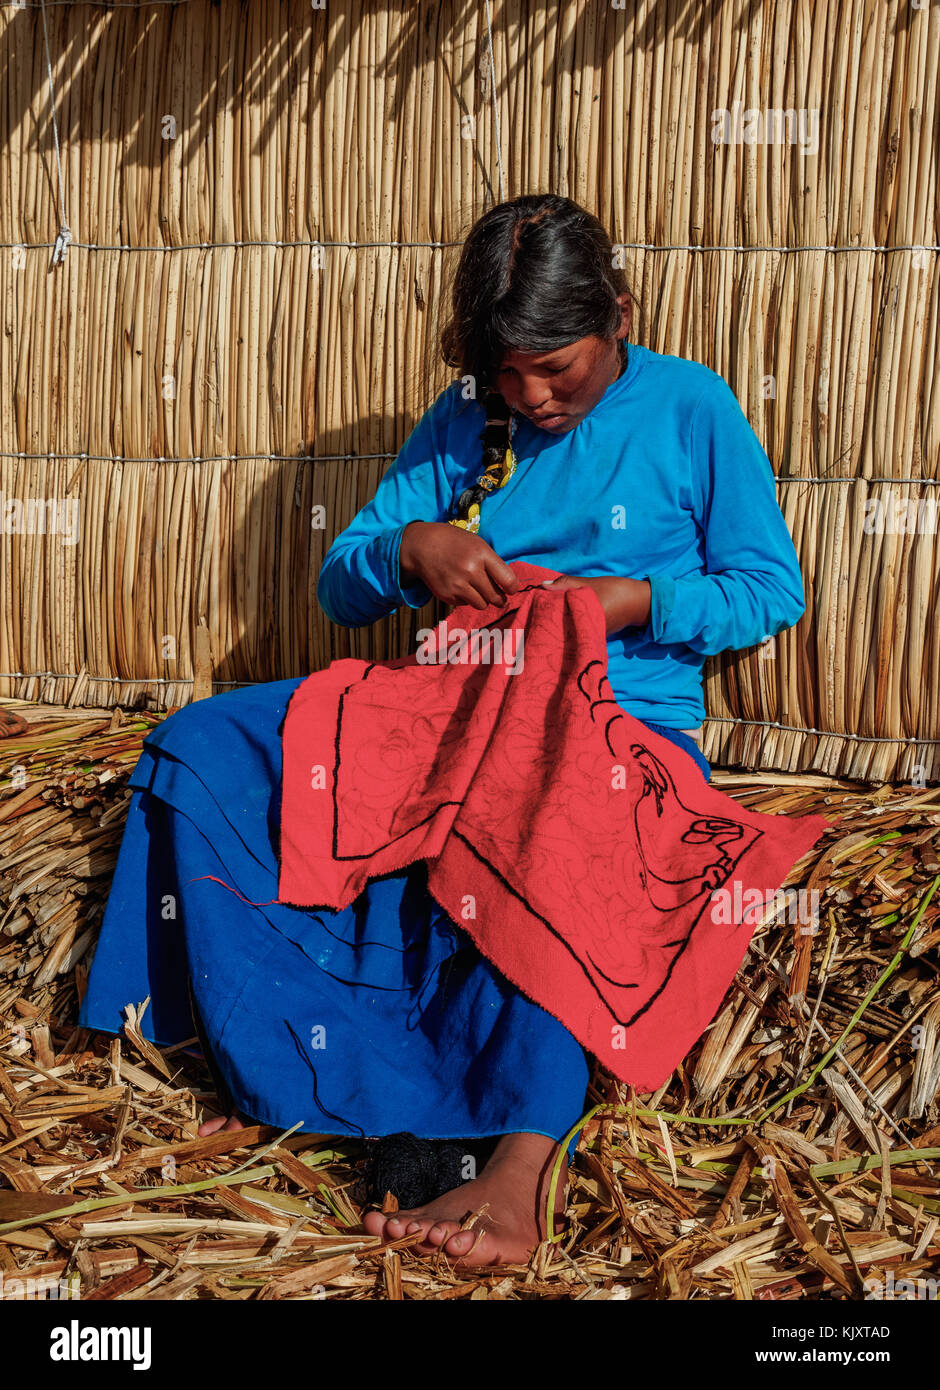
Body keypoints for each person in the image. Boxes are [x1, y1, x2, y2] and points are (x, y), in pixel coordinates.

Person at [78, 193, 806, 1268]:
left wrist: (629, 603)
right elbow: (345, 584)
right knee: (206, 744)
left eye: (557, 368)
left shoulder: (691, 411)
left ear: (620, 313)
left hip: (610, 723)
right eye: (509, 373)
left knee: (552, 829)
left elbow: (764, 587)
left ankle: (516, 1170)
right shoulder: (468, 416)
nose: (533, 395)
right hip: (451, 705)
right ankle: (242, 1070)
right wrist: (412, 548)